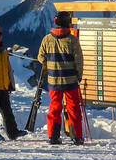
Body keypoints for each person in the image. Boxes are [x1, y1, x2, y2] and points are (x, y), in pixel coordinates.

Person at [36, 10, 84, 144]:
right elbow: (79, 61)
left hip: (53, 81)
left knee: (54, 108)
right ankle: (76, 137)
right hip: (71, 81)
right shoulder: (72, 40)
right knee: (73, 108)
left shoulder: (47, 39)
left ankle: (53, 136)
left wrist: (50, 63)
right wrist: (78, 76)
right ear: (67, 23)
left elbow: (40, 58)